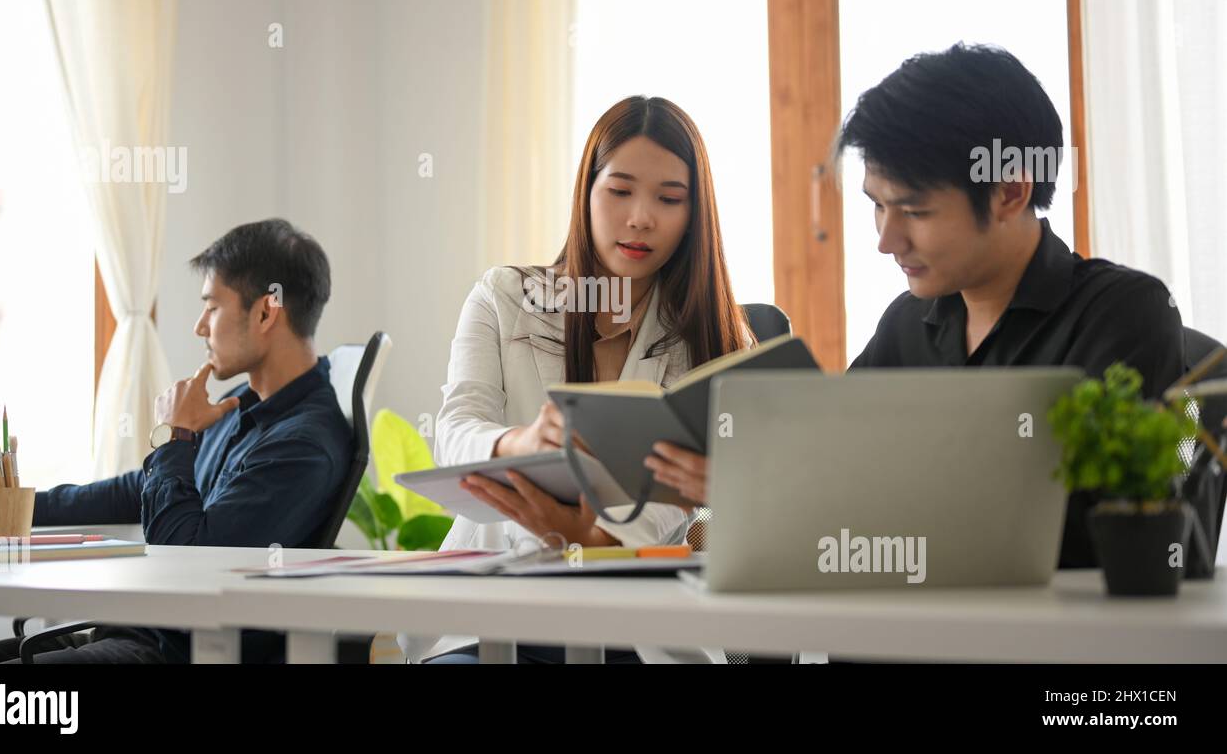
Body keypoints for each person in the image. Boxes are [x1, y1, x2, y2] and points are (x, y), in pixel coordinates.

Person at [647, 44, 1186, 570]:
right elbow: (831, 464)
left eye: (914, 210)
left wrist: (790, 490)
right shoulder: (907, 324)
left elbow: (1083, 534)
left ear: (1010, 192)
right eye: (877, 206)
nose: (886, 239)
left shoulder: (1122, 314)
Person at [402, 95, 753, 664]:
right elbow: (457, 427)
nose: (641, 217)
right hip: (494, 607)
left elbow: (674, 501)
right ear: (586, 191)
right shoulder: (505, 296)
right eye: (620, 191)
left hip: (639, 623)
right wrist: (520, 444)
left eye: (669, 199)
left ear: (694, 214)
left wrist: (588, 541)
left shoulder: (712, 338)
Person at [0, 218, 351, 663]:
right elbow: (137, 491)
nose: (199, 326)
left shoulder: (304, 446)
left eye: (211, 306)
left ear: (266, 312)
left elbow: (183, 562)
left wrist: (176, 437)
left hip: (165, 653)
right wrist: (5, 501)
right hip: (124, 632)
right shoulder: (244, 405)